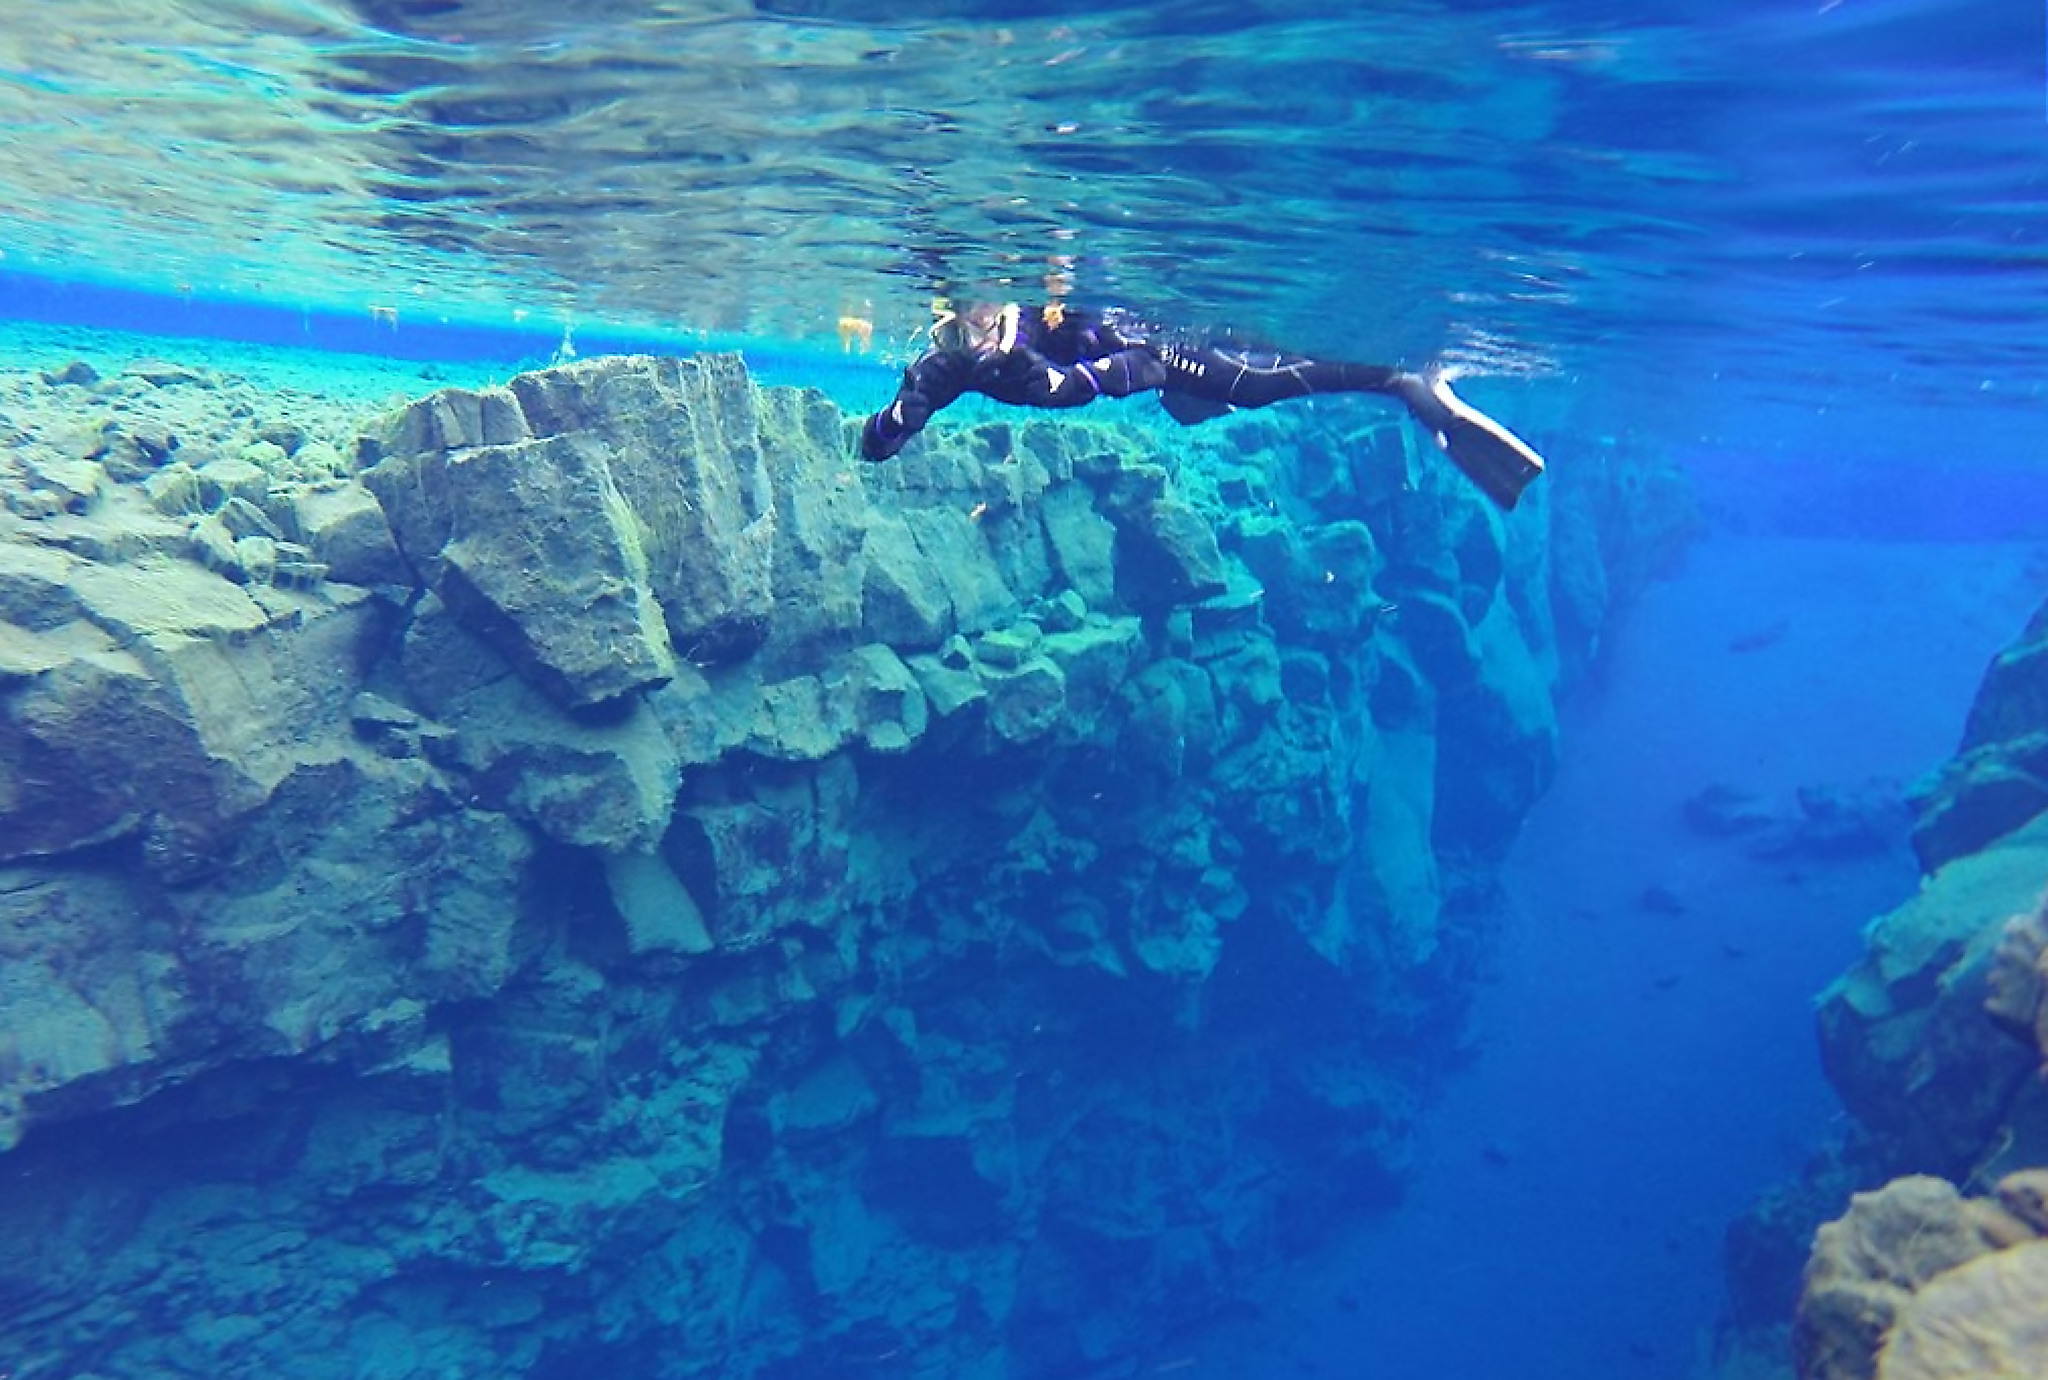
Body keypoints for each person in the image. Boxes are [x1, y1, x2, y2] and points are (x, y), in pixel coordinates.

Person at [858, 301, 1546, 511]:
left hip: (1152, 349)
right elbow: (883, 434)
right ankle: (1400, 383)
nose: (977, 335)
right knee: (1187, 407)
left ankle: (1405, 384)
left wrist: (1069, 381)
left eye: (984, 320)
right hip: (1146, 372)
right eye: (959, 326)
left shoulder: (1052, 317)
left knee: (1249, 383)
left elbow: (1125, 365)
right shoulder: (948, 361)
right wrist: (893, 423)